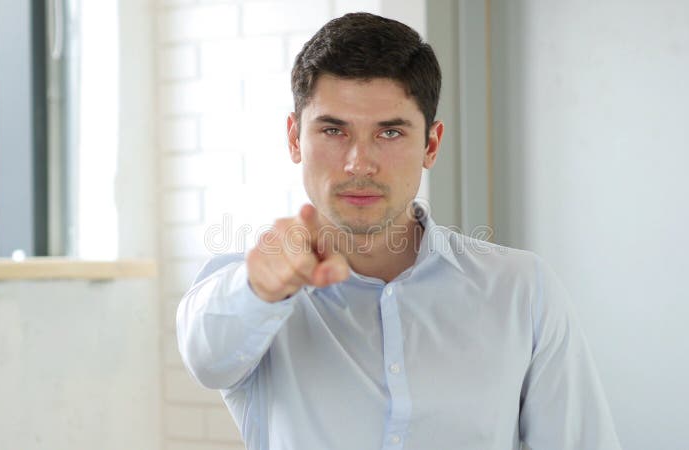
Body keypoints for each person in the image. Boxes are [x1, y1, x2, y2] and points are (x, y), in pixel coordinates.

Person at [176, 12, 621, 450]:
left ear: (430, 145)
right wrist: (260, 290)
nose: (359, 163)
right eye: (334, 130)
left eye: (389, 133)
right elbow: (206, 357)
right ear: (295, 139)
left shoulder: (524, 291)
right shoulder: (250, 289)